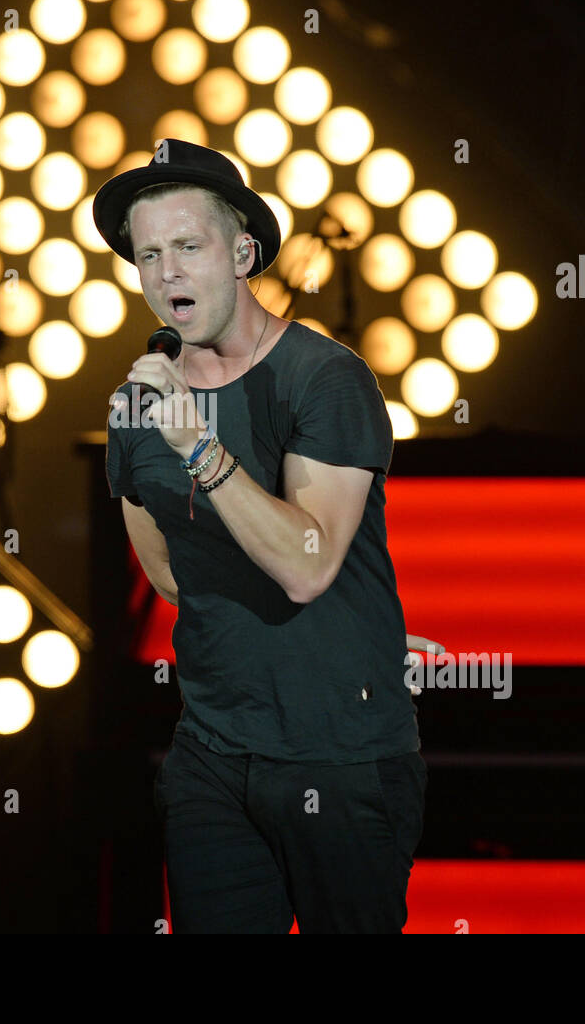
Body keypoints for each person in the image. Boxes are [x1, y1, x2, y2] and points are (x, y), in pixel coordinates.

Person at [93, 139, 434, 934]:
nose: (166, 271)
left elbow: (308, 569)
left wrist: (200, 450)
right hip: (213, 754)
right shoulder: (135, 406)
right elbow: (172, 574)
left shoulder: (325, 379)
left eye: (187, 246)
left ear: (243, 252)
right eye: (148, 254)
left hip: (342, 756)